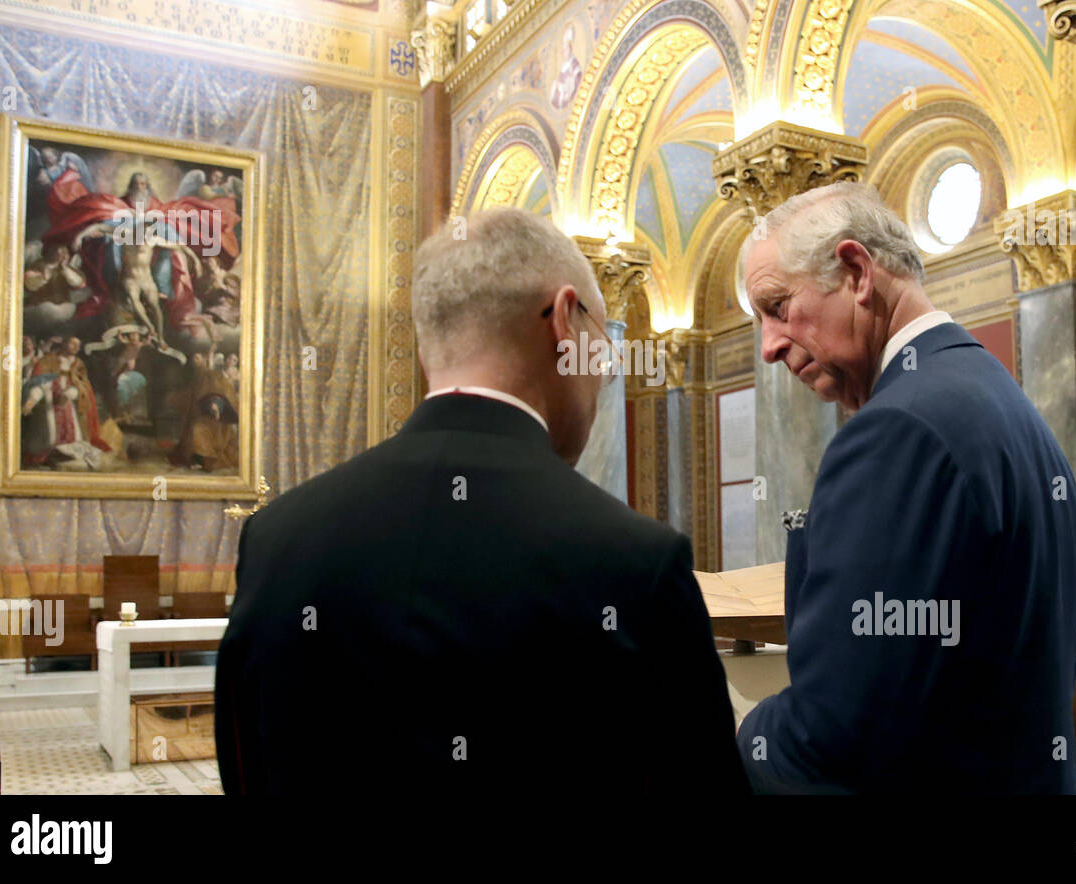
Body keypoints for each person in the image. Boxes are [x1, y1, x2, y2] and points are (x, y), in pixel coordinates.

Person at [216, 207, 748, 795]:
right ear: (566, 322)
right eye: (604, 341)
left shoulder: (276, 539)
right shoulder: (636, 560)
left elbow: (246, 769)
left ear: (428, 347)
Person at [737, 182, 1076, 793]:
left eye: (777, 306)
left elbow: (836, 738)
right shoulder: (1001, 400)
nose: (768, 347)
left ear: (855, 272)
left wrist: (746, 730)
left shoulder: (900, 429)